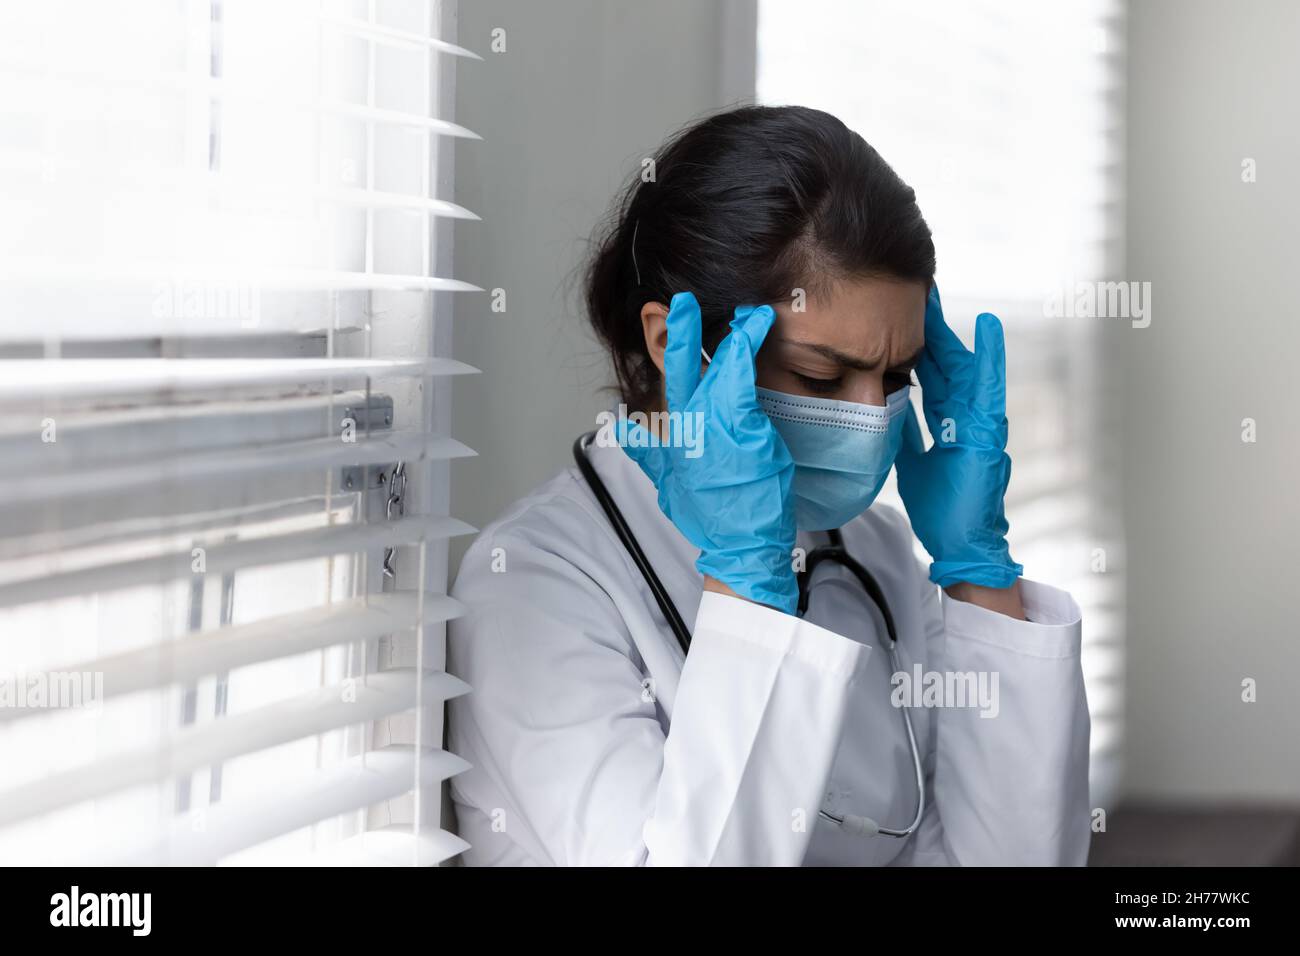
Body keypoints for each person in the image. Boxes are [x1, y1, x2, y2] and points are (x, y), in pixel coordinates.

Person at [447, 105, 1090, 866]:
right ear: (669, 343)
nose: (871, 418)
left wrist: (979, 570)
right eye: (820, 375)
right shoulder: (536, 582)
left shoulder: (874, 552)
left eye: (894, 376)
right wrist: (749, 593)